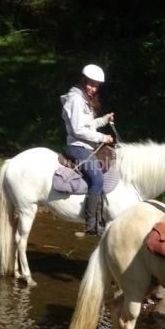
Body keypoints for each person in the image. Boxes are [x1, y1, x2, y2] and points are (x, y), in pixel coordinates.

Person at [61, 64, 115, 236]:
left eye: (97, 85)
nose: (94, 89)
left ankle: (100, 217)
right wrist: (102, 138)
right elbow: (79, 130)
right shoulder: (76, 100)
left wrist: (104, 120)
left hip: (86, 144)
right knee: (98, 180)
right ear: (83, 82)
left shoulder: (84, 99)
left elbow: (88, 125)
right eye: (91, 84)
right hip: (78, 147)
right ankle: (91, 225)